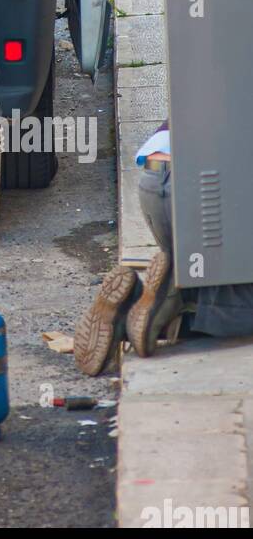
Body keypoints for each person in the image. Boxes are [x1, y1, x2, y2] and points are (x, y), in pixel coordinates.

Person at [74, 124, 253, 375]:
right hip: (208, 192)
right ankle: (172, 303)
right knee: (235, 312)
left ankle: (143, 300)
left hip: (155, 180)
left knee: (209, 272)